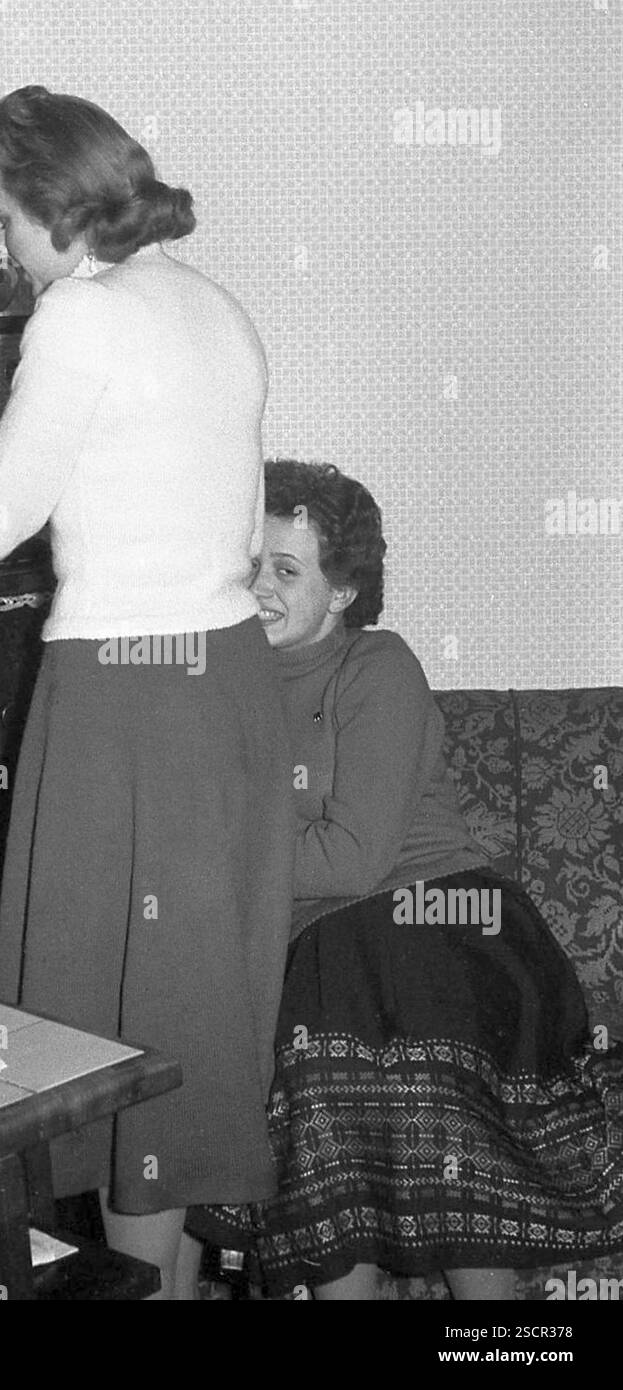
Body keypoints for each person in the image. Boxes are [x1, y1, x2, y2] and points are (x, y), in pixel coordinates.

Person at [0, 86, 295, 1299]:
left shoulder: (79, 313)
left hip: (129, 695)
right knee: (178, 1024)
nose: (4, 250)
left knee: (124, 1034)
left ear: (53, 204)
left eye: (6, 220)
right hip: (224, 687)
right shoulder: (212, 304)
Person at [185, 459, 623, 1300]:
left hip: (441, 925)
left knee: (409, 1070)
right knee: (318, 1053)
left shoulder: (376, 665)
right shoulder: (215, 687)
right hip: (322, 955)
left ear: (343, 590)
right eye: (250, 566)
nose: (260, 589)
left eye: (287, 569)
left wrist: (211, 862)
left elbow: (353, 857)